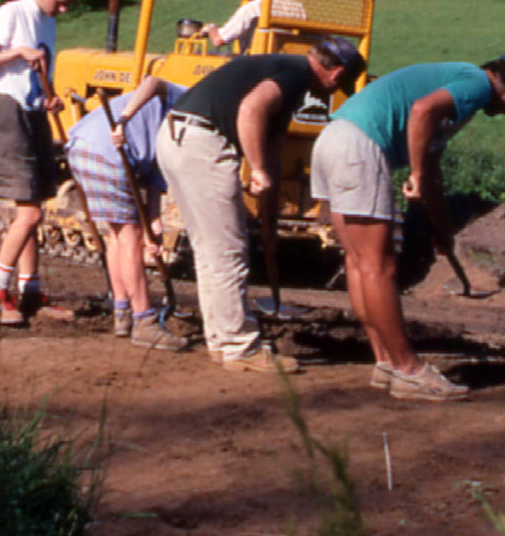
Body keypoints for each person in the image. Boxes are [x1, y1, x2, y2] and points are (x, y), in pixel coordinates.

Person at [316, 53, 505, 401]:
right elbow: (422, 111)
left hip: (333, 139)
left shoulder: (454, 86)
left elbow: (432, 169)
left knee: (360, 262)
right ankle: (409, 371)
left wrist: (442, 229)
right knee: (379, 266)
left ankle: (386, 363)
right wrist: (416, 175)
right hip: (359, 146)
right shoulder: (477, 84)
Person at [157, 37, 367, 372]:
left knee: (212, 248)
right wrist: (255, 169)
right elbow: (250, 110)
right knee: (227, 250)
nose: (333, 94)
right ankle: (240, 347)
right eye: (339, 86)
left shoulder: (284, 75)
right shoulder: (296, 73)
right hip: (202, 142)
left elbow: (273, 151)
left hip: (176, 136)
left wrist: (269, 225)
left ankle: (224, 341)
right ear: (336, 73)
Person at [0, 0, 84, 327]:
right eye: (60, 3)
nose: (62, 11)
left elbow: (34, 76)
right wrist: (17, 52)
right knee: (29, 213)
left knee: (32, 208)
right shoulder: (13, 12)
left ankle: (30, 292)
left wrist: (47, 99)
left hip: (33, 113)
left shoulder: (47, 22)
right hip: (9, 113)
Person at [62, 73, 191, 351]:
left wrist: (154, 226)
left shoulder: (178, 126)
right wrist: (124, 121)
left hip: (83, 148)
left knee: (118, 234)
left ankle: (122, 312)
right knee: (129, 235)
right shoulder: (189, 100)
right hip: (107, 150)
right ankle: (144, 320)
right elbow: (155, 81)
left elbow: (157, 173)